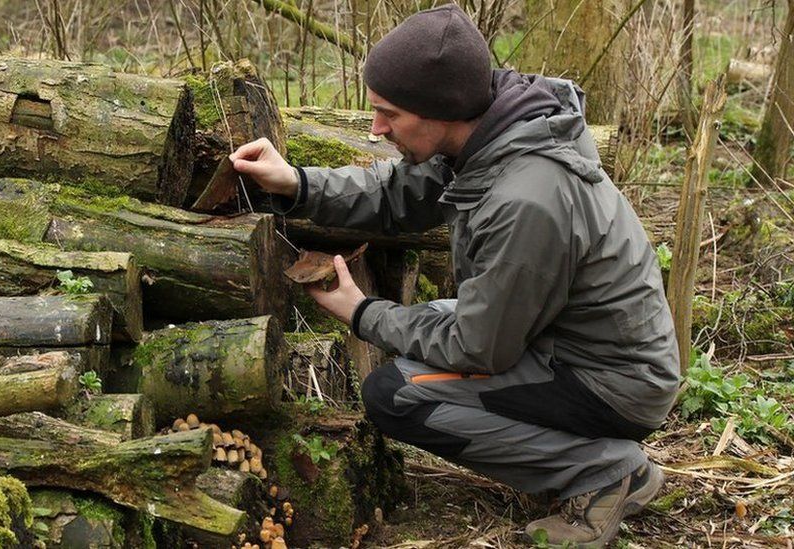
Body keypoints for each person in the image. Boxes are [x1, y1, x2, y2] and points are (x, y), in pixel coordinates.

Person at [229, 4, 679, 547]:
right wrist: (295, 183)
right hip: (566, 339)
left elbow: (476, 347)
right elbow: (395, 193)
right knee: (419, 337)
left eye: (389, 114)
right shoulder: (493, 137)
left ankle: (604, 471)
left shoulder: (527, 198)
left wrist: (364, 314)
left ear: (441, 109)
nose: (376, 129)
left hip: (611, 382)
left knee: (397, 394)